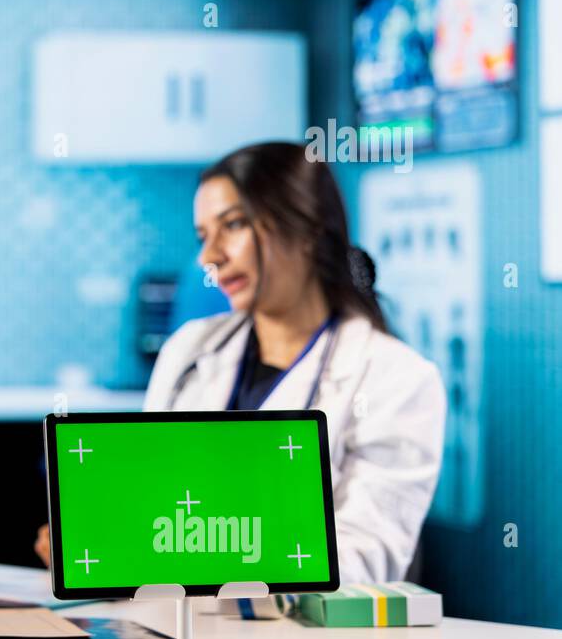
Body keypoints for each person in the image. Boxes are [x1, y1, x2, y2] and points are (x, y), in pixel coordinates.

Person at [36, 142, 446, 585]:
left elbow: (366, 562)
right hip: (178, 633)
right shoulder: (189, 350)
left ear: (306, 231)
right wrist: (102, 544)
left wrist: (197, 551)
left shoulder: (396, 379)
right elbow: (152, 505)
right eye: (202, 236)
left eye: (232, 226)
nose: (209, 256)